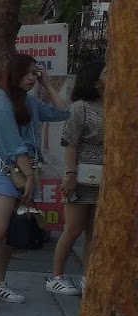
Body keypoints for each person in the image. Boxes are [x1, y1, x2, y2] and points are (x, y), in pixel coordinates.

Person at [0, 51, 69, 308]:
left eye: (35, 73)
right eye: (28, 73)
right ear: (14, 74)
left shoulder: (28, 102)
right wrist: (29, 175)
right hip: (3, 169)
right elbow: (13, 145)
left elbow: (64, 113)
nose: (32, 78)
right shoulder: (2, 104)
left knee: (11, 229)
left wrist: (48, 85)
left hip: (24, 171)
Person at [47, 60, 105, 295]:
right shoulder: (81, 107)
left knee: (95, 230)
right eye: (107, 72)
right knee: (73, 228)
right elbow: (71, 142)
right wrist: (70, 174)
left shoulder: (116, 105)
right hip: (82, 173)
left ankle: (88, 275)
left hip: (106, 176)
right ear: (94, 80)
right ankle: (56, 276)